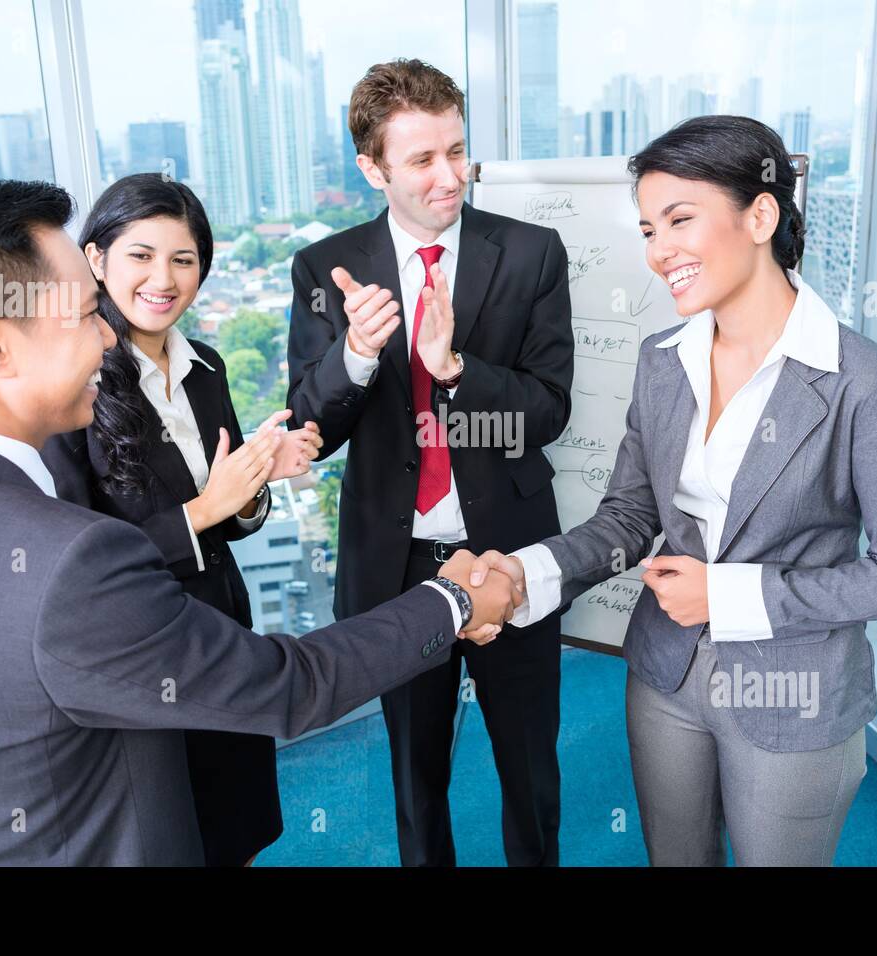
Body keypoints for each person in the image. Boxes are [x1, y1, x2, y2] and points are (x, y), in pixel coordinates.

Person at [0, 173, 519, 866]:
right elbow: (290, 685)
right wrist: (454, 599)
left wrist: (244, 490)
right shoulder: (70, 562)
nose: (104, 337)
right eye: (87, 313)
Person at [466, 115, 877, 866]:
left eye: (679, 221)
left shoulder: (865, 380)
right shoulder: (663, 359)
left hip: (798, 691)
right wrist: (531, 572)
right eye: (650, 229)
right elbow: (629, 515)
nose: (659, 254)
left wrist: (730, 596)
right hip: (665, 673)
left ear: (761, 214)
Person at [286, 58, 574, 867]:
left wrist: (456, 371)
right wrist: (354, 353)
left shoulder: (531, 253)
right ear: (371, 168)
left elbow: (549, 412)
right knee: (416, 778)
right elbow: (311, 425)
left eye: (457, 150)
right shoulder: (324, 269)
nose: (449, 176)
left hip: (511, 550)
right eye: (421, 159)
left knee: (531, 769)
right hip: (395, 566)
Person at [39, 173, 321, 866]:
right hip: (135, 656)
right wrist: (206, 507)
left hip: (219, 634)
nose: (163, 279)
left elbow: (229, 522)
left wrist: (255, 482)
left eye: (183, 260)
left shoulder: (206, 368)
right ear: (97, 260)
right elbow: (69, 559)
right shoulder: (71, 381)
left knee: (232, 829)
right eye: (141, 255)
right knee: (164, 837)